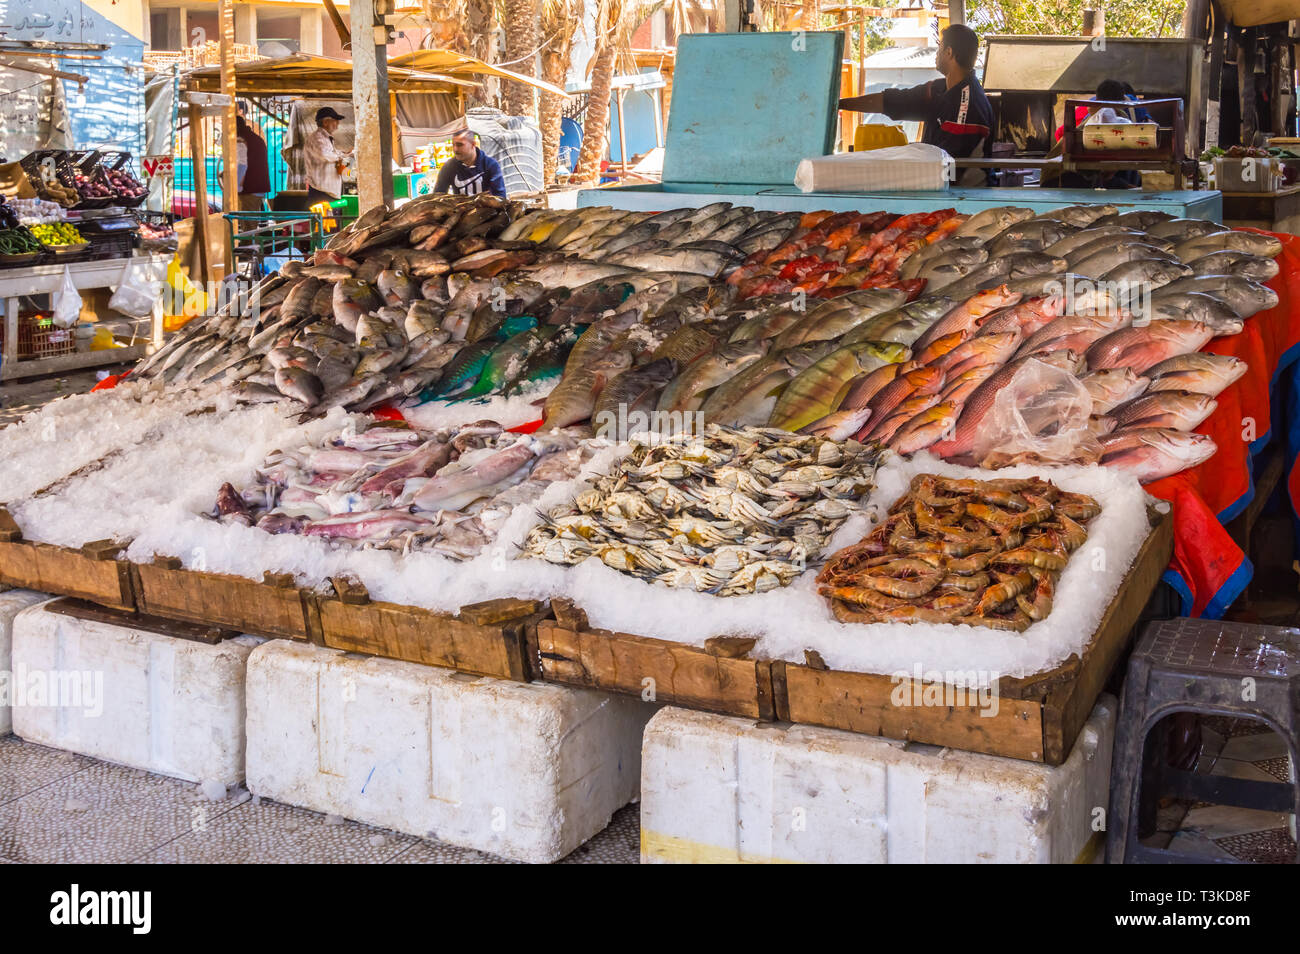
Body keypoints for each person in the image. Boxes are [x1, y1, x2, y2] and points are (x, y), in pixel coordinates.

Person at [837, 23, 993, 181]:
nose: (936, 53)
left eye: (940, 47)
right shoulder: (938, 89)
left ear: (949, 52)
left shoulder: (967, 105)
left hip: (962, 190)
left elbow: (951, 171)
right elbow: (893, 101)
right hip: (938, 181)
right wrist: (840, 104)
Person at [433, 129, 507, 199]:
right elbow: (437, 195)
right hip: (459, 208)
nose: (455, 149)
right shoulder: (449, 167)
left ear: (473, 144)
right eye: (453, 145)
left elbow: (500, 197)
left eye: (459, 145)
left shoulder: (490, 165)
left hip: (487, 208)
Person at [303, 106, 351, 206]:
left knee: (330, 215)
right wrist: (345, 155)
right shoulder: (317, 138)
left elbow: (331, 153)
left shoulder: (326, 138)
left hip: (327, 192)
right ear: (325, 122)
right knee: (323, 215)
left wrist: (344, 154)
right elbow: (326, 155)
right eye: (335, 121)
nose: (337, 124)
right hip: (321, 192)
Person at [235, 102, 270, 212]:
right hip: (258, 188)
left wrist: (237, 187)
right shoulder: (255, 137)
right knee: (252, 218)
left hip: (249, 189)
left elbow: (242, 165)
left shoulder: (241, 140)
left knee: (247, 221)